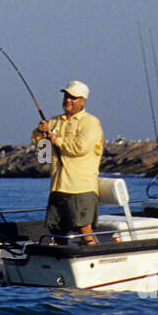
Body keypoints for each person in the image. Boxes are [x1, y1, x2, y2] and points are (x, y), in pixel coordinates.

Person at [31, 81, 104, 244]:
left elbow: (80, 148)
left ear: (83, 100)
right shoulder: (55, 122)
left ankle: (93, 257)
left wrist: (56, 139)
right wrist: (40, 132)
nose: (68, 100)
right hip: (57, 186)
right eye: (66, 96)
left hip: (81, 187)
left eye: (73, 97)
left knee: (85, 231)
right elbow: (43, 152)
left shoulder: (90, 123)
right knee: (57, 232)